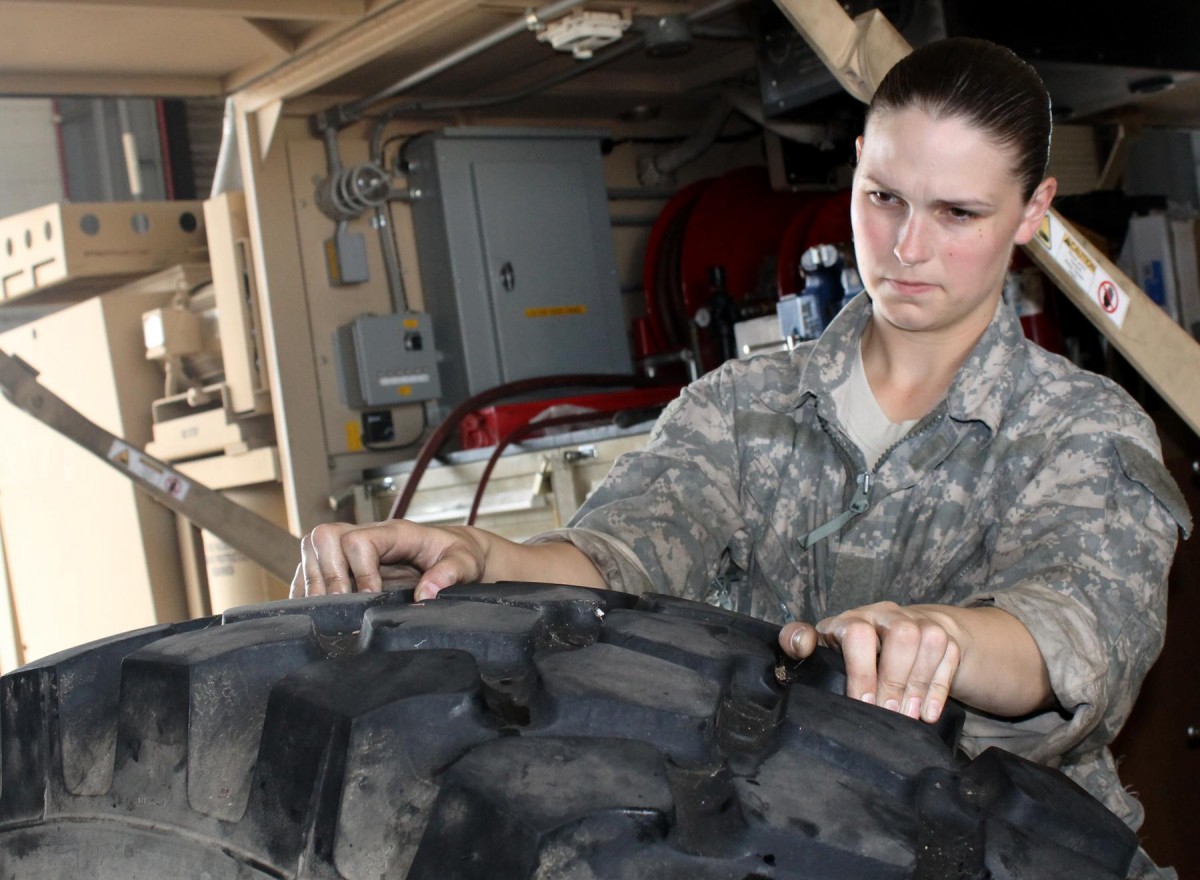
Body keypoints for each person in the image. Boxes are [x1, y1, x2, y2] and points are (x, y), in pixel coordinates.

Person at [295, 36, 1189, 870]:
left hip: (1013, 850)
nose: (909, 248)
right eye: (884, 198)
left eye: (959, 212)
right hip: (765, 843)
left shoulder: (1084, 429)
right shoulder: (739, 406)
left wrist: (947, 638)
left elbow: (1077, 631)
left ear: (1033, 211)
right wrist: (488, 556)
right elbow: (624, 551)